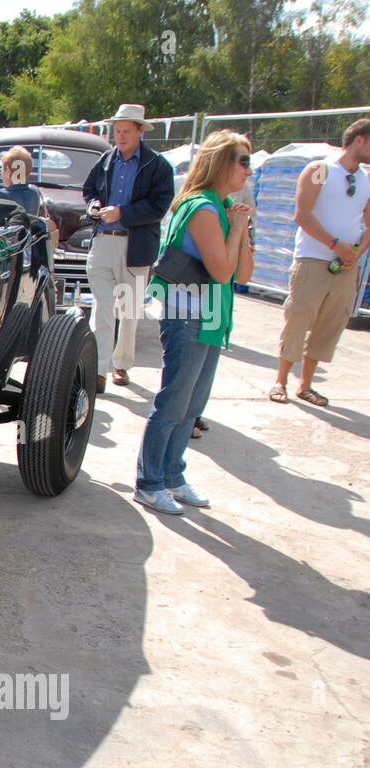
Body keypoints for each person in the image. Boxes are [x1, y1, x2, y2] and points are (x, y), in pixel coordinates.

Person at [134, 131, 254, 516]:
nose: (248, 170)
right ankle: (149, 482)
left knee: (192, 405)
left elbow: (244, 272)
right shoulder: (202, 208)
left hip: (211, 315)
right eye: (243, 160)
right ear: (221, 162)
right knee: (174, 402)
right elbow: (222, 271)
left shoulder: (223, 206)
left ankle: (172, 474)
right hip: (187, 313)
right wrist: (235, 231)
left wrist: (242, 229)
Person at [268, 118, 370, 407]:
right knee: (299, 316)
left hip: (346, 266)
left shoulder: (366, 178)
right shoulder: (319, 170)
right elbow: (302, 215)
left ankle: (306, 385)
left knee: (331, 323)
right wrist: (335, 244)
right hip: (313, 259)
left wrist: (356, 253)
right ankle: (280, 381)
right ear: (359, 140)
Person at [83, 104, 175, 392]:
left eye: (126, 131)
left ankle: (120, 363)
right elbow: (89, 191)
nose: (120, 136)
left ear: (139, 131)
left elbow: (159, 205)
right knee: (103, 309)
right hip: (104, 241)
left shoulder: (156, 165)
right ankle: (99, 370)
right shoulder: (106, 161)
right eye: (117, 131)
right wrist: (94, 206)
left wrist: (123, 213)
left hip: (135, 246)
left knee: (130, 311)